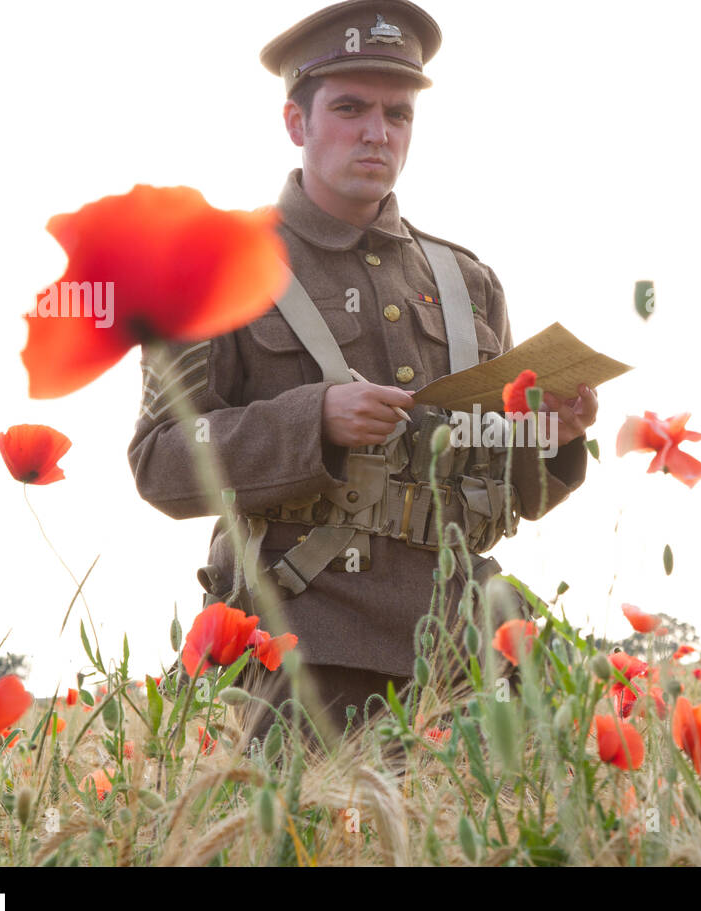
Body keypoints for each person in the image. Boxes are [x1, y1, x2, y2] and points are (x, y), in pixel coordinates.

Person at [127, 0, 597, 747]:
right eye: (350, 108)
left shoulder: (470, 281)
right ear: (295, 122)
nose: (378, 132)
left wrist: (554, 436)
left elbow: (506, 490)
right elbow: (161, 463)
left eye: (398, 113)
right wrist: (313, 421)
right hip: (307, 649)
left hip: (468, 644)